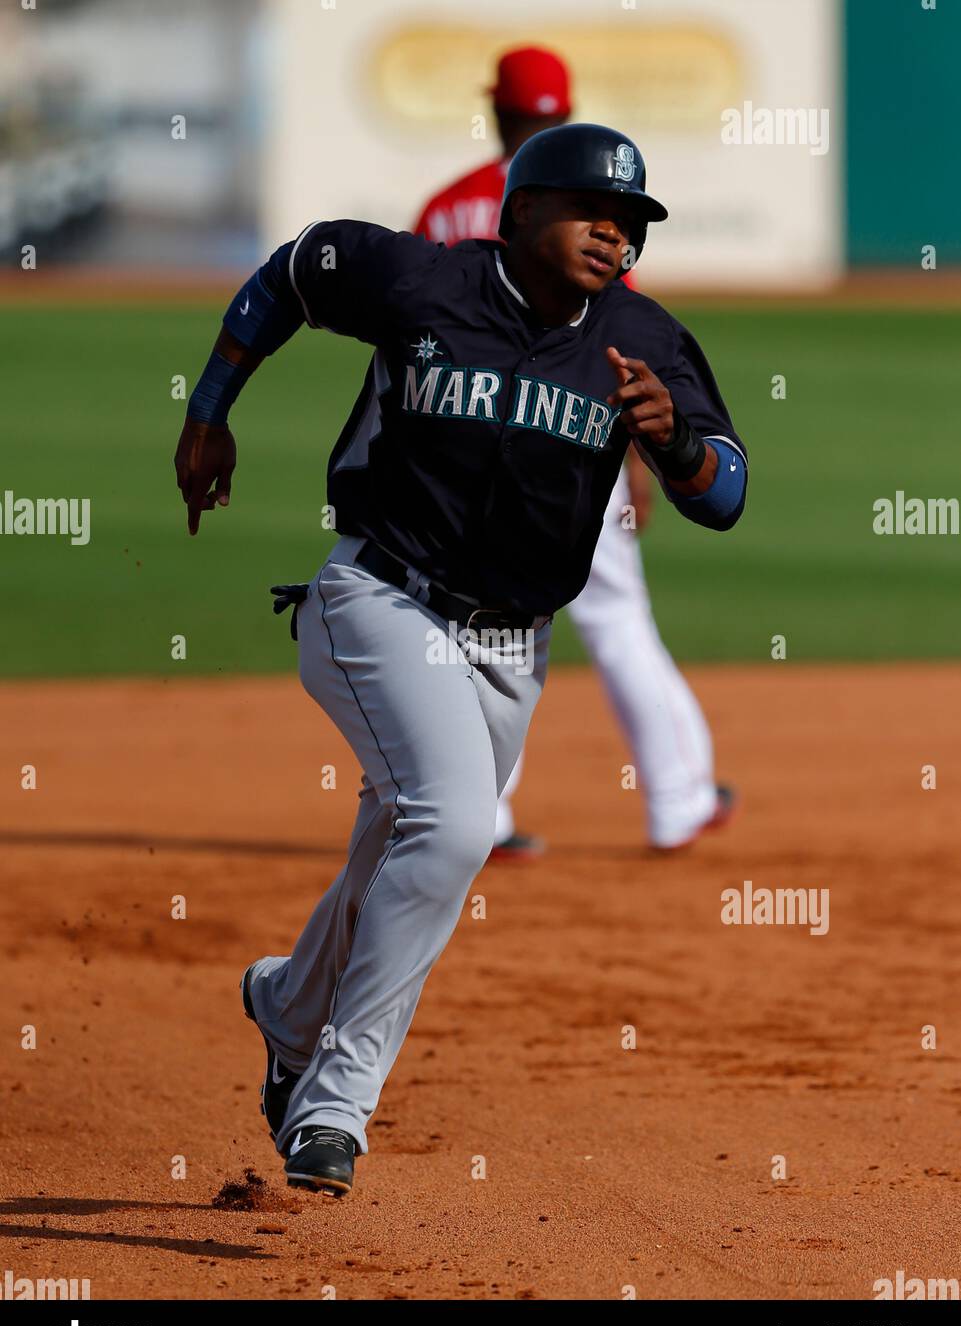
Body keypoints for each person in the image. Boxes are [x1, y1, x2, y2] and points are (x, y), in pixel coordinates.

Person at [173, 122, 748, 1196]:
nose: (614, 234)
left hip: (510, 646)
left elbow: (724, 493)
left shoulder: (644, 339)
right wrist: (209, 412)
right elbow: (291, 274)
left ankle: (287, 1002)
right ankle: (332, 1104)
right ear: (523, 209)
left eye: (630, 222)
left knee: (401, 831)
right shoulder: (420, 279)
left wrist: (672, 444)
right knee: (451, 822)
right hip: (375, 598)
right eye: (592, 210)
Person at [415, 48, 734, 856]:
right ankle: (677, 800)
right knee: (617, 618)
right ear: (565, 110)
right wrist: (638, 455)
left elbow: (409, 337)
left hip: (455, 462)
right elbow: (613, 343)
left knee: (467, 628)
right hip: (567, 445)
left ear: (495, 109)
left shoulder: (449, 207)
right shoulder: (594, 212)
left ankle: (479, 816)